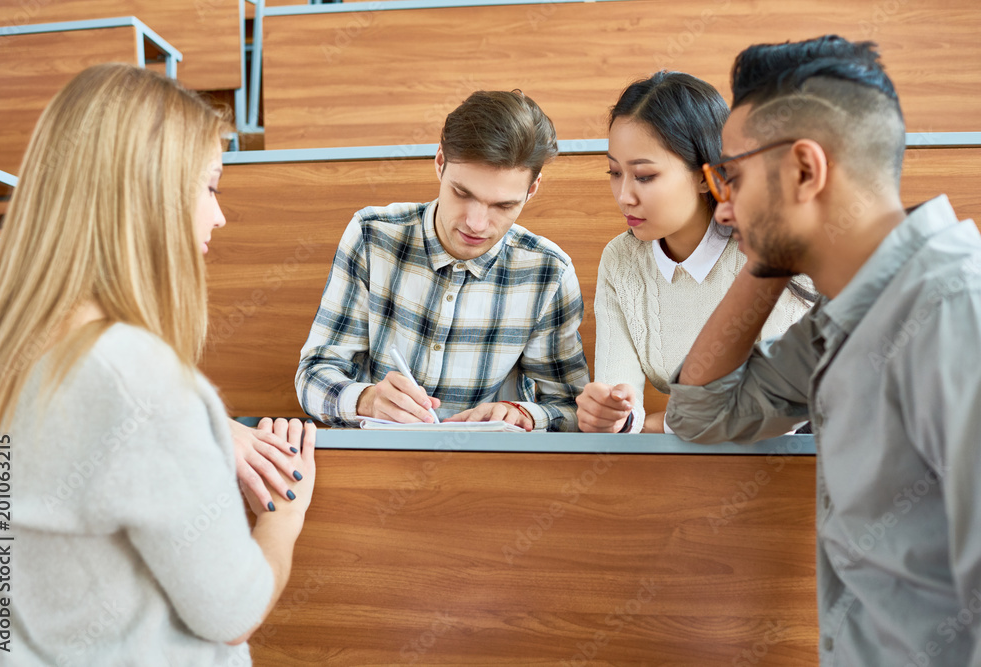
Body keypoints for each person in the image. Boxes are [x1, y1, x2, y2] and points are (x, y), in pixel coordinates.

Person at [0, 64, 315, 664]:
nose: (219, 216)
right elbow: (231, 611)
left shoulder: (6, 345)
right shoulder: (137, 377)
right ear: (149, 193)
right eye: (210, 187)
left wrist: (203, 439)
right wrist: (282, 521)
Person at [666, 35, 981, 664]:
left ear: (806, 171)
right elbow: (700, 411)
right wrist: (770, 256)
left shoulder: (951, 312)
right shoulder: (852, 314)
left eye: (731, 176)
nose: (723, 209)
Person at [296, 90, 590, 431]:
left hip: (485, 468)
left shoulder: (548, 273)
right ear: (440, 162)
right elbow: (314, 374)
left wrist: (525, 416)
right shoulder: (371, 235)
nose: (476, 224)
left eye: (503, 206)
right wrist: (367, 400)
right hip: (376, 459)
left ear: (532, 189)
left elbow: (571, 408)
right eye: (463, 194)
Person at [576, 72, 812, 434]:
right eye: (614, 172)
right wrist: (612, 417)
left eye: (644, 176)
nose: (624, 195)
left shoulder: (769, 247)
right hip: (696, 465)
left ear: (708, 175)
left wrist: (658, 423)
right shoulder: (621, 259)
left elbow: (765, 412)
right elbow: (624, 405)